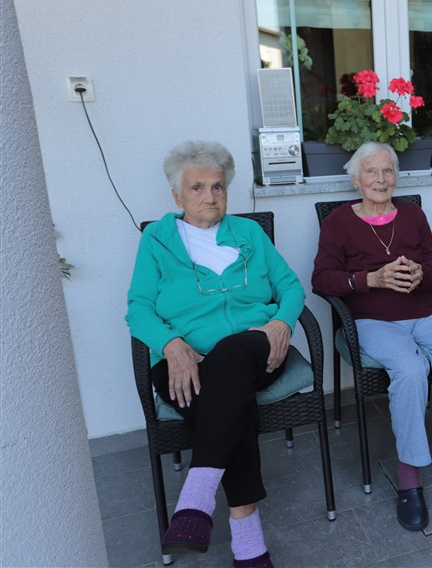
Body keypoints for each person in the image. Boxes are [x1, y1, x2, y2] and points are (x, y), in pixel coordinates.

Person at [126, 141, 303, 568]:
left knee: (235, 351)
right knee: (229, 404)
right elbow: (138, 308)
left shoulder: (250, 234)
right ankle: (248, 540)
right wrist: (170, 346)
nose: (210, 197)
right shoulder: (157, 239)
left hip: (257, 348)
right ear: (177, 196)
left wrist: (281, 322)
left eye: (218, 187)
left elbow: (291, 287)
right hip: (184, 364)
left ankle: (195, 498)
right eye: (198, 187)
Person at [311, 142, 432, 531]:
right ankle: (409, 476)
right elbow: (321, 279)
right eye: (371, 172)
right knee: (411, 371)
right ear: (356, 179)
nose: (380, 180)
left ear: (396, 176)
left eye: (388, 171)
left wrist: (421, 274)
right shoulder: (338, 223)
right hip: (371, 320)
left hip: (426, 312)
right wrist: (371, 279)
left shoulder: (413, 214)